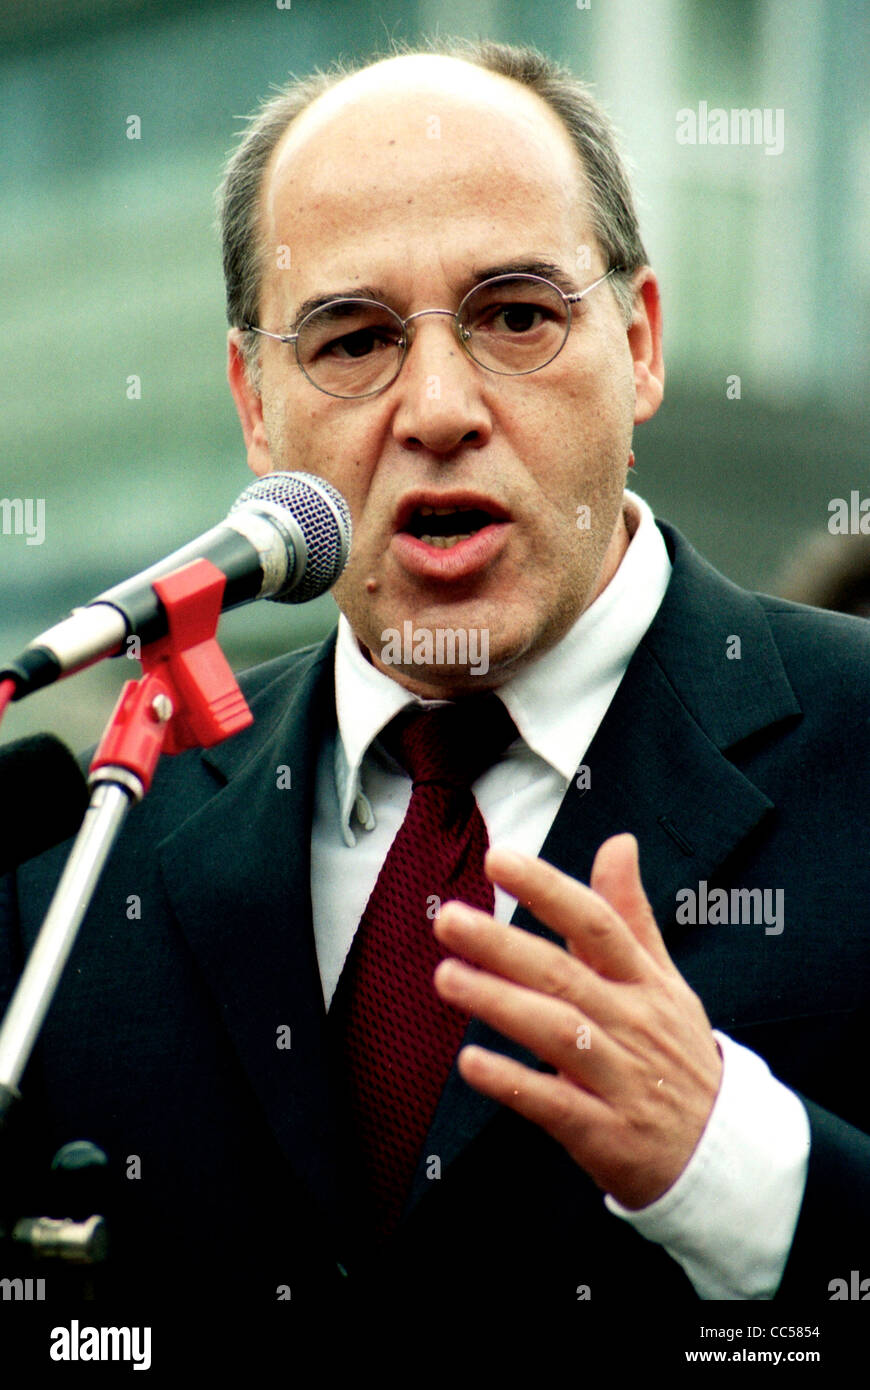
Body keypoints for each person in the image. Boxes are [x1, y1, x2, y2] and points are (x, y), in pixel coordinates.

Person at [2, 39, 869, 1317]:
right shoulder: (87, 855)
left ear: (639, 342)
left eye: (517, 316)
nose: (440, 406)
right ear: (256, 403)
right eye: (352, 340)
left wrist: (733, 1160)